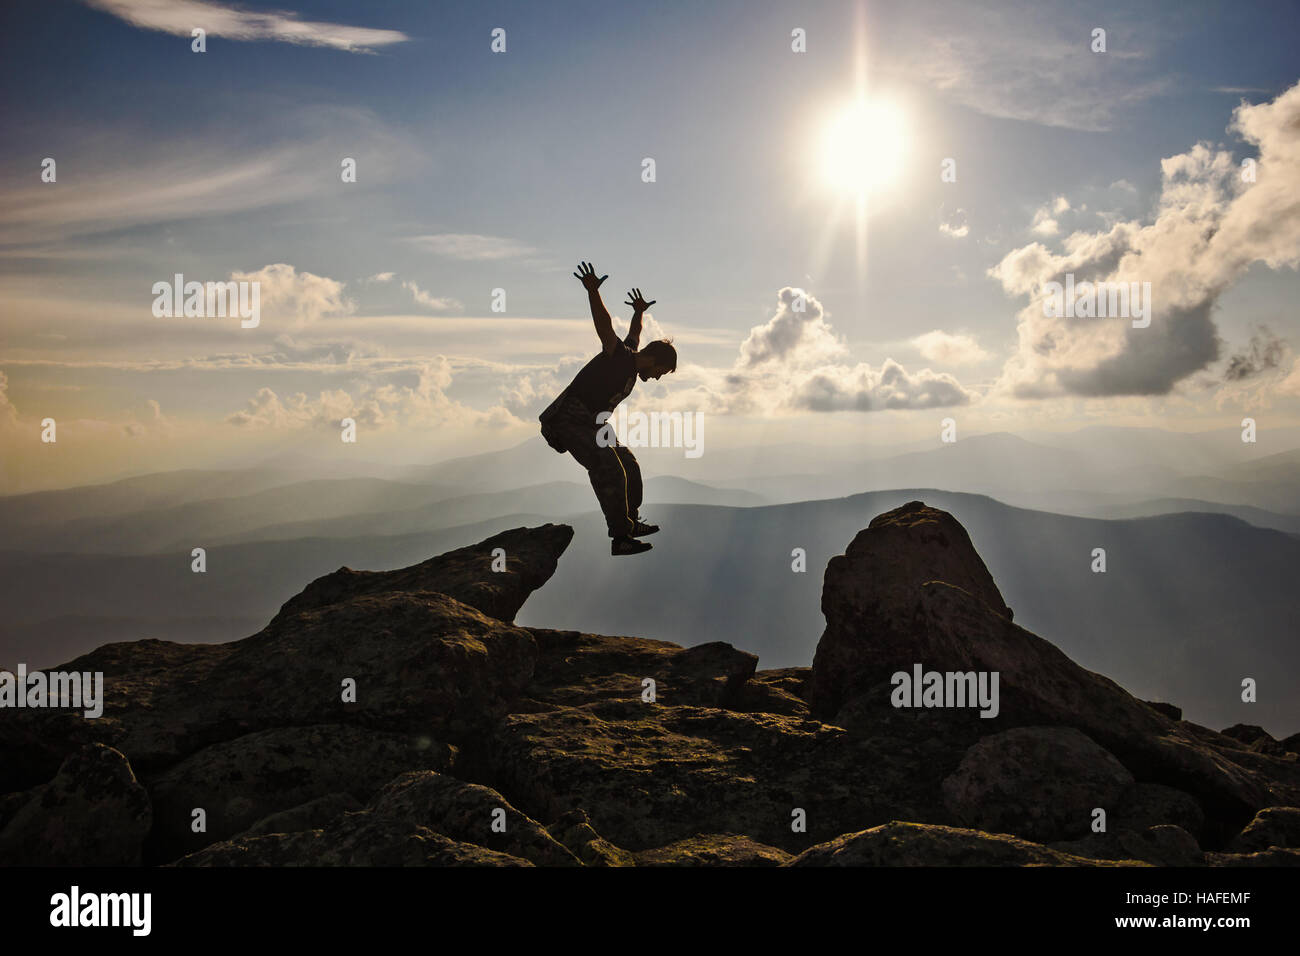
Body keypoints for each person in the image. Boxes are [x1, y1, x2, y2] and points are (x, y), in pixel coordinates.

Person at [539, 261, 677, 556]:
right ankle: (621, 538)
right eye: (661, 372)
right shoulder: (619, 356)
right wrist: (592, 292)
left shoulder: (631, 358)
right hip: (568, 421)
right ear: (653, 360)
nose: (656, 378)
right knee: (608, 467)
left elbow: (635, 332)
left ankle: (632, 522)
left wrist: (639, 312)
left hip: (594, 424)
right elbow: (604, 326)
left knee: (629, 465)